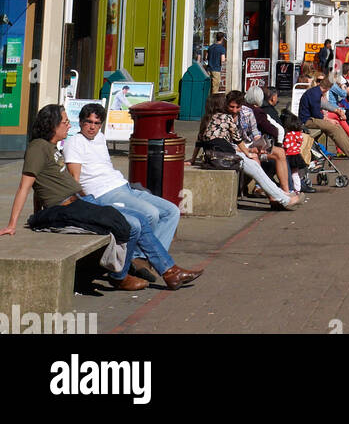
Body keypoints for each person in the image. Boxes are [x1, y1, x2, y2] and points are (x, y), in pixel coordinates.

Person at [1, 104, 145, 291]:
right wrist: (13, 224)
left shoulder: (51, 147)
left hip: (78, 201)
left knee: (134, 220)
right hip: (67, 207)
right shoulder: (38, 148)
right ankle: (119, 276)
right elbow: (25, 186)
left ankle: (120, 271)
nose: (69, 126)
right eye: (65, 122)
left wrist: (38, 213)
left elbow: (41, 184)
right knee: (128, 225)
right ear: (52, 125)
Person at [63, 103, 201, 288]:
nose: (92, 126)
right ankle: (160, 266)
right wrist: (88, 203)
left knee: (171, 211)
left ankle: (140, 259)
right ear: (80, 122)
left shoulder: (100, 138)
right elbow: (75, 179)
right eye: (88, 122)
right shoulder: (75, 143)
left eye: (96, 123)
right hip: (104, 193)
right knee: (150, 213)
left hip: (123, 186)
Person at [203, 93, 303, 205]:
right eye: (231, 107)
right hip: (231, 153)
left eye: (238, 107)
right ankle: (282, 199)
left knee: (278, 153)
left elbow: (200, 141)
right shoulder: (226, 117)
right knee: (255, 166)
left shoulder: (211, 119)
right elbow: (237, 140)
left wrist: (258, 146)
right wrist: (249, 152)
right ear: (225, 105)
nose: (235, 110)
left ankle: (285, 193)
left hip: (221, 153)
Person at [299, 74, 349, 157]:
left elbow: (323, 105)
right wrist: (329, 120)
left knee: (337, 126)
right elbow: (316, 114)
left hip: (312, 118)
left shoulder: (316, 91)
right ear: (328, 88)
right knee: (333, 127)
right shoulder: (315, 94)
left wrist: (337, 110)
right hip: (308, 120)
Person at [243, 87, 292, 193]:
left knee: (278, 153)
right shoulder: (257, 112)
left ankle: (283, 191)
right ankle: (286, 191)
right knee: (280, 153)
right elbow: (273, 130)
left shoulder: (248, 110)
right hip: (248, 147)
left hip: (248, 145)